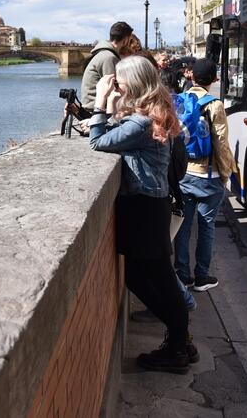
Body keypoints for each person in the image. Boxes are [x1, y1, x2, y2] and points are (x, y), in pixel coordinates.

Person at [89, 56, 198, 373]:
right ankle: (180, 340)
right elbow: (116, 135)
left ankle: (178, 345)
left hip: (144, 207)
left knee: (157, 278)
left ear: (133, 84)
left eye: (119, 81)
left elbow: (98, 142)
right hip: (151, 205)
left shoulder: (140, 123)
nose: (115, 85)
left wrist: (100, 102)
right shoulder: (149, 115)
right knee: (147, 275)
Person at [174, 58, 235, 292]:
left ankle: (182, 275)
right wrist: (225, 172)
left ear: (192, 77)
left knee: (183, 226)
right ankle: (201, 276)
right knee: (207, 226)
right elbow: (221, 144)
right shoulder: (215, 105)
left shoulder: (181, 100)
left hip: (184, 174)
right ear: (214, 80)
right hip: (207, 176)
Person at [79, 21, 133, 113]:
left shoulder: (103, 53)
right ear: (125, 39)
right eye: (130, 40)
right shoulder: (109, 57)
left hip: (94, 105)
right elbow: (114, 89)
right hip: (95, 109)